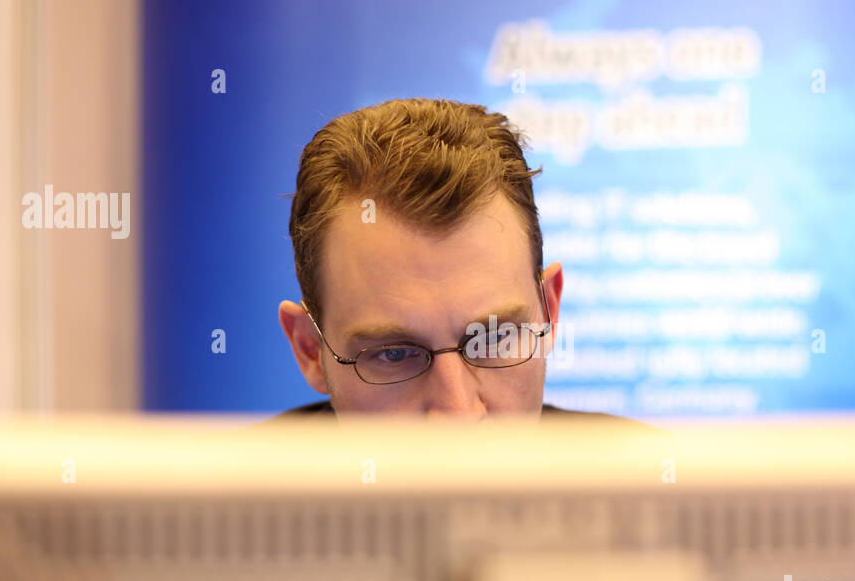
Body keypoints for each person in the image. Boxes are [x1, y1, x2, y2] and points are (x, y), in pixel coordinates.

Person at [267, 97, 656, 429]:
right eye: (394, 354)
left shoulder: (665, 495)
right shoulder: (215, 504)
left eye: (494, 338)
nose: (458, 413)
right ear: (309, 349)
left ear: (548, 312)